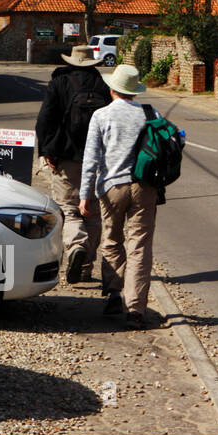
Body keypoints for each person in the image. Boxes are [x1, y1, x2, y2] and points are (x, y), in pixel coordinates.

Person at [79, 64, 157, 330]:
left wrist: (85, 195)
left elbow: (91, 159)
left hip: (112, 187)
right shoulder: (149, 113)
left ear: (112, 89)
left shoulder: (101, 116)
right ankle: (135, 309)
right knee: (139, 247)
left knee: (112, 239)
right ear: (134, 90)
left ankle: (113, 294)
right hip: (144, 187)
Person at [35, 44, 112, 283]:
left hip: (66, 156)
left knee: (68, 208)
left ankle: (76, 246)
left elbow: (45, 119)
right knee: (93, 211)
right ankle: (87, 267)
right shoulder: (103, 85)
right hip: (98, 159)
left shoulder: (60, 82)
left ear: (71, 61)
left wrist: (48, 150)